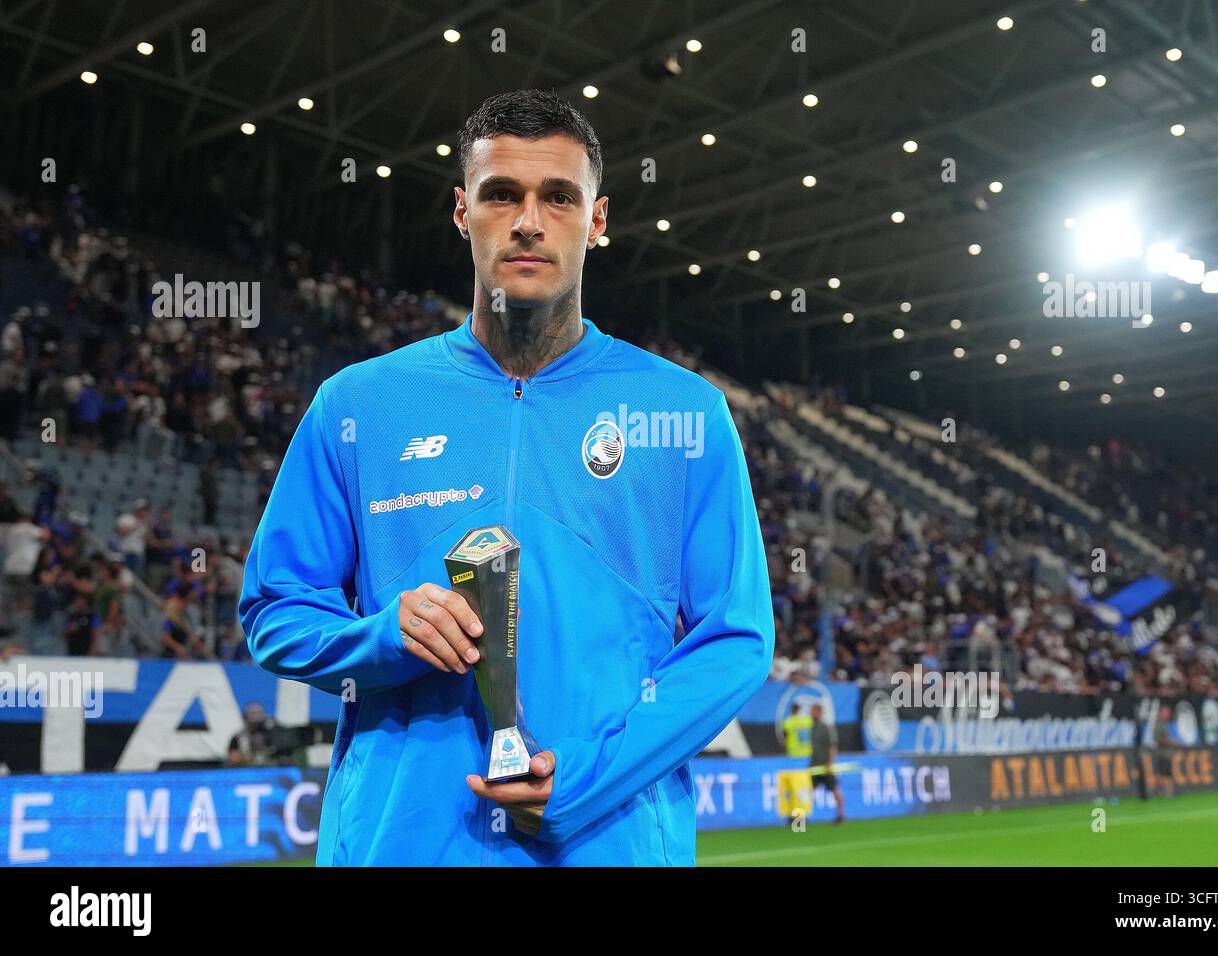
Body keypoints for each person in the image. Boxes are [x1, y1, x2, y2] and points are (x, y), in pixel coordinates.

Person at [240, 88, 775, 866]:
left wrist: (587, 781)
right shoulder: (356, 405)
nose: (529, 221)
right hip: (403, 844)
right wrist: (382, 637)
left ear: (597, 220)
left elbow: (737, 638)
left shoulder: (686, 414)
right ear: (463, 213)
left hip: (606, 842)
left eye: (558, 197)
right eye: (502, 195)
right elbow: (277, 607)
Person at [809, 703, 846, 824]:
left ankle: (841, 815)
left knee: (834, 789)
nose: (810, 713)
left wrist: (830, 762)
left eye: (813, 711)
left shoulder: (825, 727)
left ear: (819, 712)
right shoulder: (812, 727)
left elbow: (832, 746)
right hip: (815, 766)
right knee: (808, 790)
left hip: (825, 766)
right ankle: (801, 817)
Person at [227, 703, 276, 767]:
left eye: (259, 713)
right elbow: (233, 758)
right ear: (245, 717)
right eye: (253, 713)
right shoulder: (238, 737)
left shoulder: (271, 735)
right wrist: (246, 758)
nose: (257, 717)